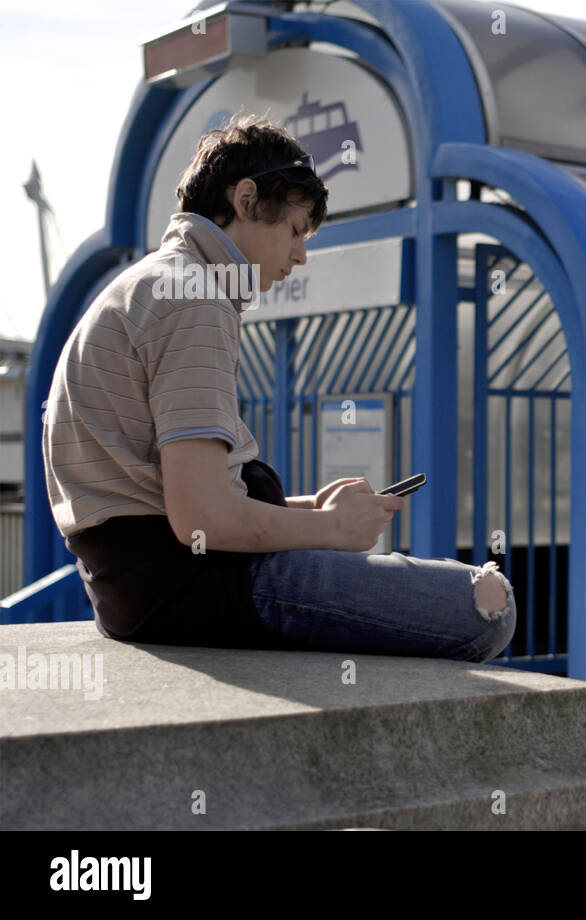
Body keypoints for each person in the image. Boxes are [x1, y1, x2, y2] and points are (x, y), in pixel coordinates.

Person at [41, 114, 515, 662]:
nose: (300, 256)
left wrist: (312, 507)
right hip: (195, 585)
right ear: (246, 200)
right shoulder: (195, 298)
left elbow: (167, 500)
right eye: (294, 231)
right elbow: (201, 519)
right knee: (489, 603)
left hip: (138, 589)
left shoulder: (149, 284)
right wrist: (332, 528)